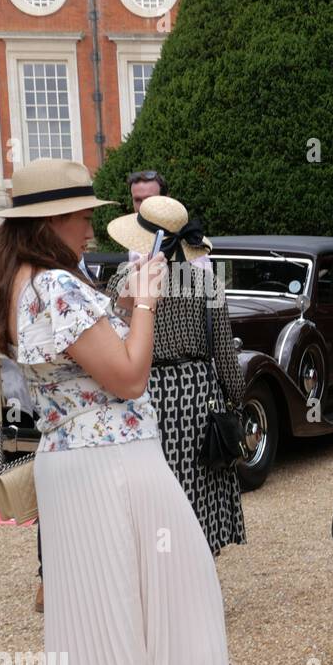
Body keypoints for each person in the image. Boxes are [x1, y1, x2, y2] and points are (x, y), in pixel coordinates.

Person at [0, 159, 276, 665]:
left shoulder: (23, 282)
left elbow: (81, 363)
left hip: (73, 463)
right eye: (81, 215)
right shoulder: (56, 287)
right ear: (47, 222)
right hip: (117, 459)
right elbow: (128, 377)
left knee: (96, 603)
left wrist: (120, 307)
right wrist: (143, 301)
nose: (91, 226)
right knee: (185, 586)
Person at [107, 196, 247, 556]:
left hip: (147, 391)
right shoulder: (206, 282)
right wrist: (236, 398)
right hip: (199, 391)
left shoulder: (126, 280)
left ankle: (161, 566)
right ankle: (202, 563)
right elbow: (225, 352)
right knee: (200, 483)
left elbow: (111, 339)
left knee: (156, 488)